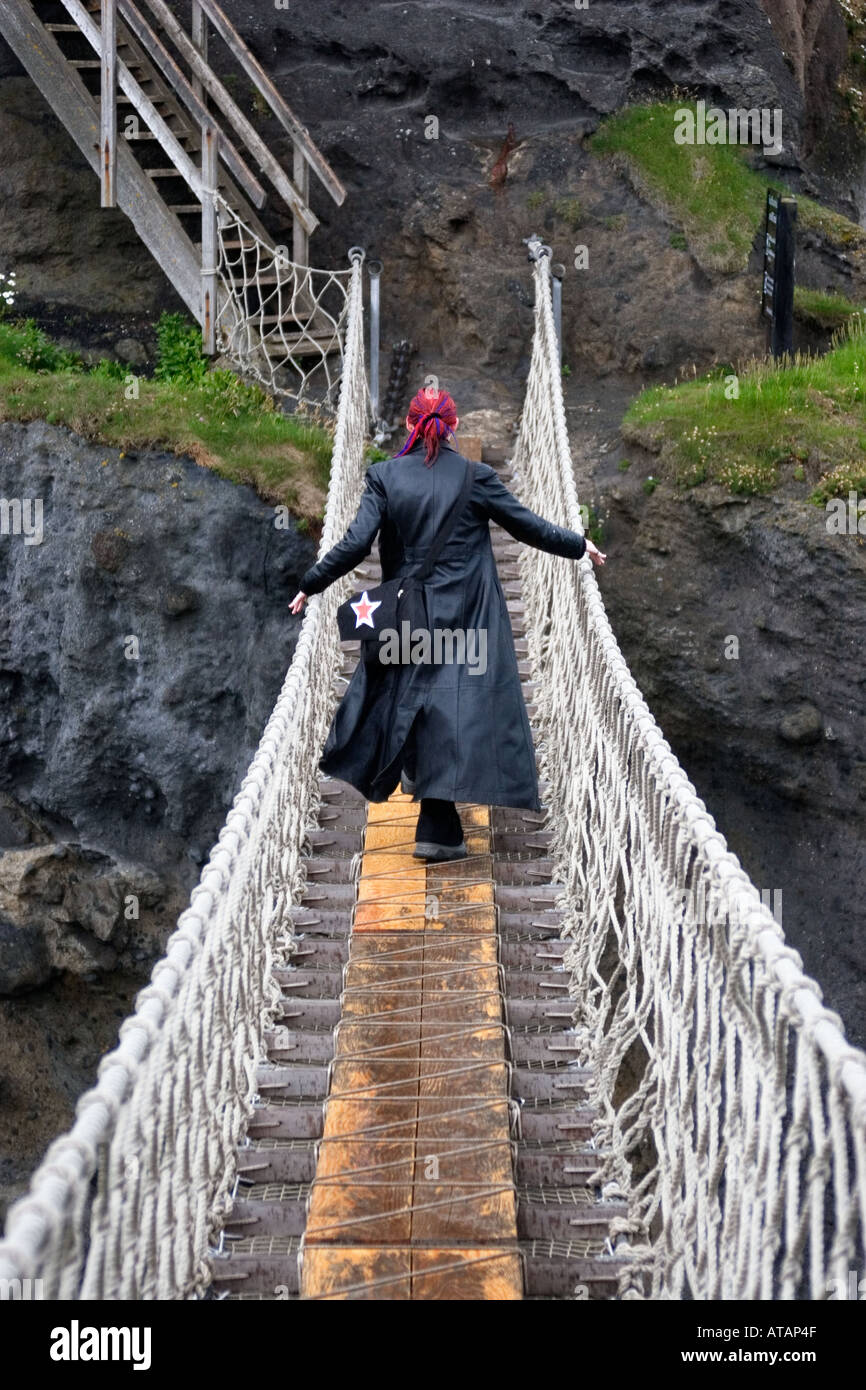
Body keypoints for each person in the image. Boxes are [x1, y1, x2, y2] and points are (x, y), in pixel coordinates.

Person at [288, 386, 606, 861]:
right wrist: (579, 545)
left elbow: (355, 544)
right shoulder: (477, 477)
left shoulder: (384, 476)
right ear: (453, 426)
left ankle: (429, 805)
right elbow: (527, 526)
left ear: (408, 424)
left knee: (413, 696)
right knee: (450, 704)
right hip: (466, 612)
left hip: (406, 614)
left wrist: (311, 583)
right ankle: (436, 823)